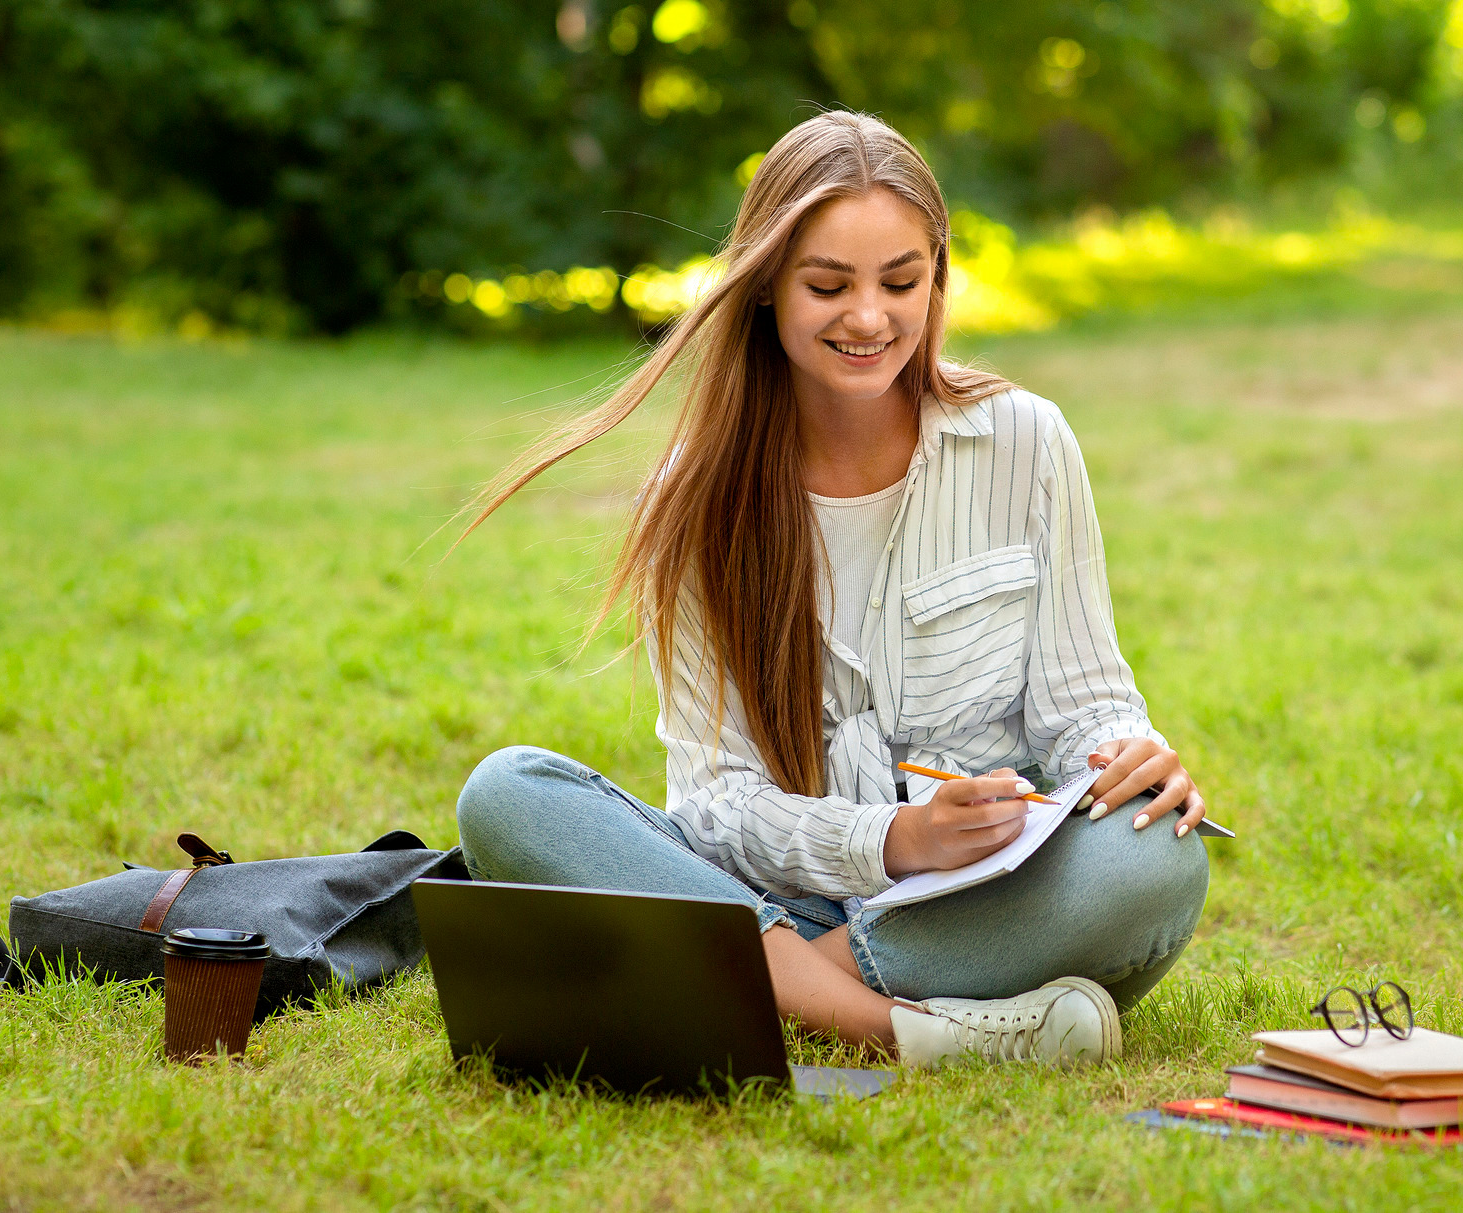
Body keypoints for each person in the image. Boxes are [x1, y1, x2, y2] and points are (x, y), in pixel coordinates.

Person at [453, 111, 1209, 1069]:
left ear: (938, 277)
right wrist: (894, 839)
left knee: (1159, 858)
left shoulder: (1028, 442)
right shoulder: (698, 497)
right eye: (827, 285)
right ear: (768, 285)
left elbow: (1083, 700)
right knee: (510, 795)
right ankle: (906, 1031)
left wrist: (1126, 755)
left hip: (982, 900)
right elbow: (719, 803)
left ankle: (767, 986)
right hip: (773, 895)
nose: (868, 317)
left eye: (901, 280)